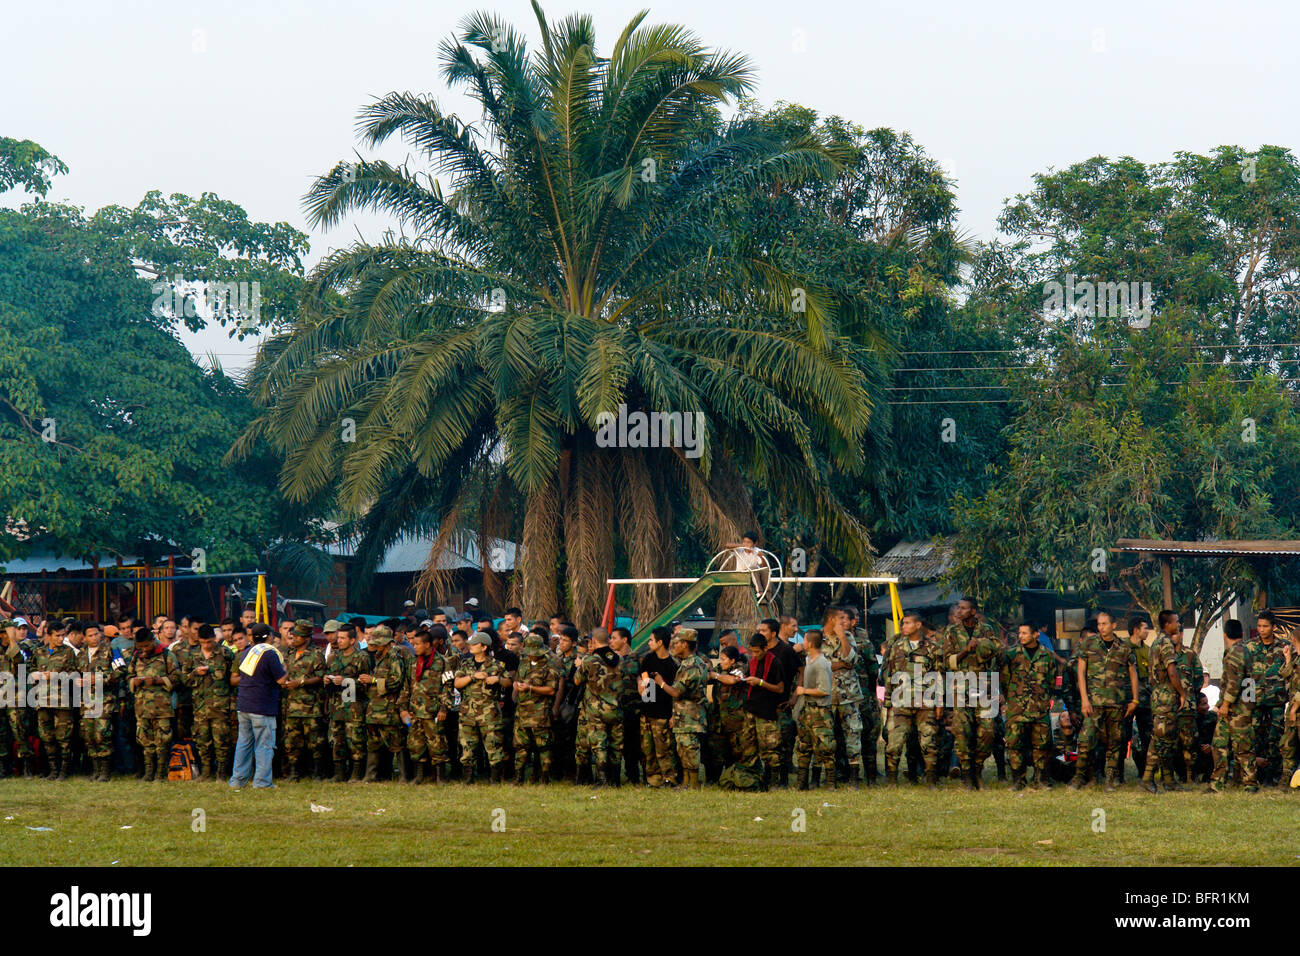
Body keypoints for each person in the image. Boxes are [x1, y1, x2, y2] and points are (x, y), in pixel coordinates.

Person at [941, 597, 1003, 789]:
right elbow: (946, 661)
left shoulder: (986, 629)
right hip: (960, 688)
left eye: (963, 608)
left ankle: (977, 769)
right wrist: (966, 651)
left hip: (985, 687)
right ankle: (967, 776)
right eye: (958, 608)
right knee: (962, 732)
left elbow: (995, 651)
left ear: (973, 611)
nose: (959, 611)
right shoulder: (951, 632)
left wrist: (981, 644)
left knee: (988, 731)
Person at [1072, 610, 1138, 790]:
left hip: (1116, 703)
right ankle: (1079, 777)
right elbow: (1081, 672)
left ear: (1113, 625)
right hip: (1094, 703)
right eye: (1099, 624)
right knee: (1085, 741)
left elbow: (1133, 673)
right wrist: (1084, 699)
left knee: (1115, 743)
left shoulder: (1123, 647)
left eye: (1104, 624)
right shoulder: (1089, 644)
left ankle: (1111, 778)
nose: (1101, 627)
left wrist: (1135, 700)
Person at [881, 612, 944, 786]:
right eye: (903, 624)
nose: (903, 627)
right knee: (894, 742)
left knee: (929, 742)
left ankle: (931, 779)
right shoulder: (896, 647)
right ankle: (892, 780)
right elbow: (890, 676)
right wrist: (888, 703)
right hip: (901, 702)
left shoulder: (933, 648)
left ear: (918, 625)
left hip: (925, 703)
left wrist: (939, 703)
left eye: (908, 623)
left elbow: (939, 677)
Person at [230, 623, 285, 789]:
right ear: (269, 636)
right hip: (262, 706)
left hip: (244, 704)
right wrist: (286, 670)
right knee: (264, 745)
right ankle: (262, 782)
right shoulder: (269, 654)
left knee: (244, 743)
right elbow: (281, 680)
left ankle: (237, 780)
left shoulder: (247, 652)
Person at [1002, 623, 1056, 790]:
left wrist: (1044, 698)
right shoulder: (1011, 654)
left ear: (1035, 634)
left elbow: (1051, 681)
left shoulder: (1047, 655)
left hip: (1039, 708)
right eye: (1019, 633)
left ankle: (1040, 780)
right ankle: (1018, 780)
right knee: (1015, 744)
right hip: (1016, 708)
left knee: (1042, 745)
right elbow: (1004, 679)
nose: (1021, 636)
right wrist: (1011, 699)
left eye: (1025, 633)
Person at [654, 628, 709, 789]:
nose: (674, 646)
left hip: (690, 717)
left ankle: (693, 784)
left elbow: (677, 691)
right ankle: (686, 782)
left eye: (677, 643)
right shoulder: (688, 663)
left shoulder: (691, 665)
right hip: (683, 716)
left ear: (685, 644)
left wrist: (661, 683)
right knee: (683, 750)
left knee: (689, 750)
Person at [1141, 610, 1188, 793]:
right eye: (1176, 621)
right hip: (1165, 696)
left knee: (1168, 739)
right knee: (1159, 739)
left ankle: (1169, 780)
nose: (1178, 624)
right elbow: (1172, 671)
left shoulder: (1156, 642)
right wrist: (1182, 693)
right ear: (1167, 624)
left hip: (1159, 695)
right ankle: (1147, 778)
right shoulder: (1166, 643)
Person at [572, 628, 626, 787]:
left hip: (596, 710)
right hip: (617, 709)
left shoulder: (590, 661)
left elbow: (577, 681)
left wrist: (579, 665)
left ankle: (602, 780)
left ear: (593, 642)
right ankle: (615, 780)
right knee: (616, 745)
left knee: (599, 744)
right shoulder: (620, 659)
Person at [1208, 618, 1256, 794]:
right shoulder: (1246, 651)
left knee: (1238, 747)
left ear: (1225, 634)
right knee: (1223, 744)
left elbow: (1234, 682)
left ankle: (1248, 783)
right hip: (1242, 706)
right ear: (1242, 634)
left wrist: (1226, 704)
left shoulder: (1234, 653)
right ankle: (1220, 783)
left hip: (1235, 708)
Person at [454, 631, 509, 783]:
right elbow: (457, 683)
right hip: (468, 712)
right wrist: (472, 677)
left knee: (493, 745)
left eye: (475, 644)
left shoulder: (496, 665)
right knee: (467, 746)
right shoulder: (466, 664)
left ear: (484, 647)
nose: (470, 646)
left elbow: (509, 682)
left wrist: (497, 679)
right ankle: (468, 778)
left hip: (489, 712)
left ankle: (494, 778)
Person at [183, 623, 235, 782]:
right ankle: (206, 772)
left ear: (214, 638)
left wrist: (232, 706)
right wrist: (195, 673)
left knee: (222, 740)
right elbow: (184, 679)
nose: (206, 645)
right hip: (200, 706)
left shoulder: (225, 654)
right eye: (203, 642)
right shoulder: (192, 655)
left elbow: (232, 680)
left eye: (209, 642)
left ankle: (221, 772)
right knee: (202, 740)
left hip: (220, 705)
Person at [403, 626, 454, 784]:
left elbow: (448, 687)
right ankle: (419, 776)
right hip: (415, 710)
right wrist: (403, 708)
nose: (414, 646)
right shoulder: (412, 661)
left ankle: (440, 776)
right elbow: (406, 686)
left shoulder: (443, 662)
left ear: (427, 644)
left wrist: (443, 707)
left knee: (437, 744)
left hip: (433, 711)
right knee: (415, 744)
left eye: (417, 644)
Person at [129, 626, 180, 783]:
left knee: (163, 741)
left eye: (146, 646)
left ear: (153, 641)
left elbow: (177, 678)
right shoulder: (136, 656)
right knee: (145, 740)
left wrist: (158, 681)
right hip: (142, 706)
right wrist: (134, 681)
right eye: (140, 646)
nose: (144, 650)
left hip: (162, 707)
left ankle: (161, 773)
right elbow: (129, 675)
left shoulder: (166, 655)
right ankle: (148, 772)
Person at [280, 620, 327, 782]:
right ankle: (294, 773)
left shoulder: (316, 655)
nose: (294, 638)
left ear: (306, 638)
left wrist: (301, 682)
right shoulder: (290, 654)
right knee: (292, 741)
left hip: (310, 707)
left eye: (297, 636)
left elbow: (320, 677)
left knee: (315, 742)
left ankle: (317, 773)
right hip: (292, 706)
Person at [32, 620, 78, 780]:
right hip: (42, 700)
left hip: (62, 701)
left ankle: (64, 770)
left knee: (63, 737)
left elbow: (74, 674)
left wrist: (57, 676)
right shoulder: (39, 652)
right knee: (47, 736)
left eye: (63, 635)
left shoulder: (68, 652)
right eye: (57, 636)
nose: (61, 639)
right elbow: (31, 670)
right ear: (49, 635)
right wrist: (34, 675)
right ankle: (53, 769)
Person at [359, 625, 406, 782]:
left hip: (388, 708)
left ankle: (404, 777)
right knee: (373, 742)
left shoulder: (394, 657)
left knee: (396, 743)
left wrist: (373, 680)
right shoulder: (379, 657)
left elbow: (397, 681)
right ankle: (370, 776)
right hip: (375, 707)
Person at [1247, 610, 1289, 786]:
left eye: (1265, 626)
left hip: (1277, 700)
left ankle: (1273, 775)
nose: (1261, 630)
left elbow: (1290, 672)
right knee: (1252, 736)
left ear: (1273, 627)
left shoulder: (1284, 647)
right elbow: (1245, 675)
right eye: (1259, 626)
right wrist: (1246, 700)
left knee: (1275, 738)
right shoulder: (1249, 647)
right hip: (1255, 701)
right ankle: (1253, 775)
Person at [324, 623, 370, 783]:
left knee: (355, 739)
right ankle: (339, 773)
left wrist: (346, 681)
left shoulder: (361, 657)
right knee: (337, 739)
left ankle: (356, 773)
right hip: (336, 705)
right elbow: (328, 675)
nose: (339, 641)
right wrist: (327, 680)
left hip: (353, 706)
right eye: (338, 638)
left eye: (343, 638)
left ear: (352, 640)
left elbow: (366, 683)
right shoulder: (333, 657)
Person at [739, 633, 785, 788]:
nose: (755, 655)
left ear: (765, 648)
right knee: (749, 746)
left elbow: (780, 688)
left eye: (757, 652)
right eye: (752, 652)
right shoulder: (751, 662)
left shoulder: (775, 662)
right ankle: (752, 780)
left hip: (767, 710)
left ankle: (773, 782)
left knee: (770, 747)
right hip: (751, 709)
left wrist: (760, 683)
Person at [512, 634, 559, 783]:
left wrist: (530, 688)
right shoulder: (524, 663)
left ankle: (544, 777)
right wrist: (516, 686)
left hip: (540, 712)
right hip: (522, 711)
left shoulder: (549, 665)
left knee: (543, 747)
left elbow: (551, 690)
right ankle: (518, 777)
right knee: (520, 746)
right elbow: (518, 679)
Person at [792, 629, 836, 790]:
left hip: (820, 712)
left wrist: (804, 691)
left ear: (810, 643)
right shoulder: (809, 660)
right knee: (803, 745)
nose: (803, 643)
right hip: (807, 710)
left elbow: (824, 690)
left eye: (804, 640)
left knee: (825, 746)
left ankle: (831, 781)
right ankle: (801, 782)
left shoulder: (821, 664)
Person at [75, 622, 117, 782]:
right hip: (86, 701)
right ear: (84, 638)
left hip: (104, 700)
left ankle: (105, 771)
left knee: (102, 735)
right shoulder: (81, 655)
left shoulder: (111, 651)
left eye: (96, 634)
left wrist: (98, 679)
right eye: (90, 635)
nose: (94, 638)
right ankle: (95, 769)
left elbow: (120, 673)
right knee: (88, 735)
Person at [642, 627, 682, 786]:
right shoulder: (648, 659)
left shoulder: (673, 664)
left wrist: (673, 715)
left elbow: (676, 691)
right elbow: (645, 679)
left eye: (651, 640)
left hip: (664, 712)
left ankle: (669, 778)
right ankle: (653, 779)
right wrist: (643, 686)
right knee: (648, 748)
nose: (649, 642)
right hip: (648, 710)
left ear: (660, 642)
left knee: (664, 749)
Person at [0, 620, 35, 778]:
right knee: (1, 733)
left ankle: (25, 766)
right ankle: (3, 767)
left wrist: (13, 640)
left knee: (20, 731)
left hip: (16, 697)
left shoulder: (24, 648)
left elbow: (20, 662)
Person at [1171, 624, 1205, 782]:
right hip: (1168, 707)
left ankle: (1191, 776)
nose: (1173, 636)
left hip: (1187, 707)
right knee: (1170, 743)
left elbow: (1198, 679)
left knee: (1190, 742)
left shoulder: (1190, 655)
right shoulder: (1163, 654)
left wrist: (1190, 694)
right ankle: (1171, 776)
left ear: (1182, 633)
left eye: (1176, 632)